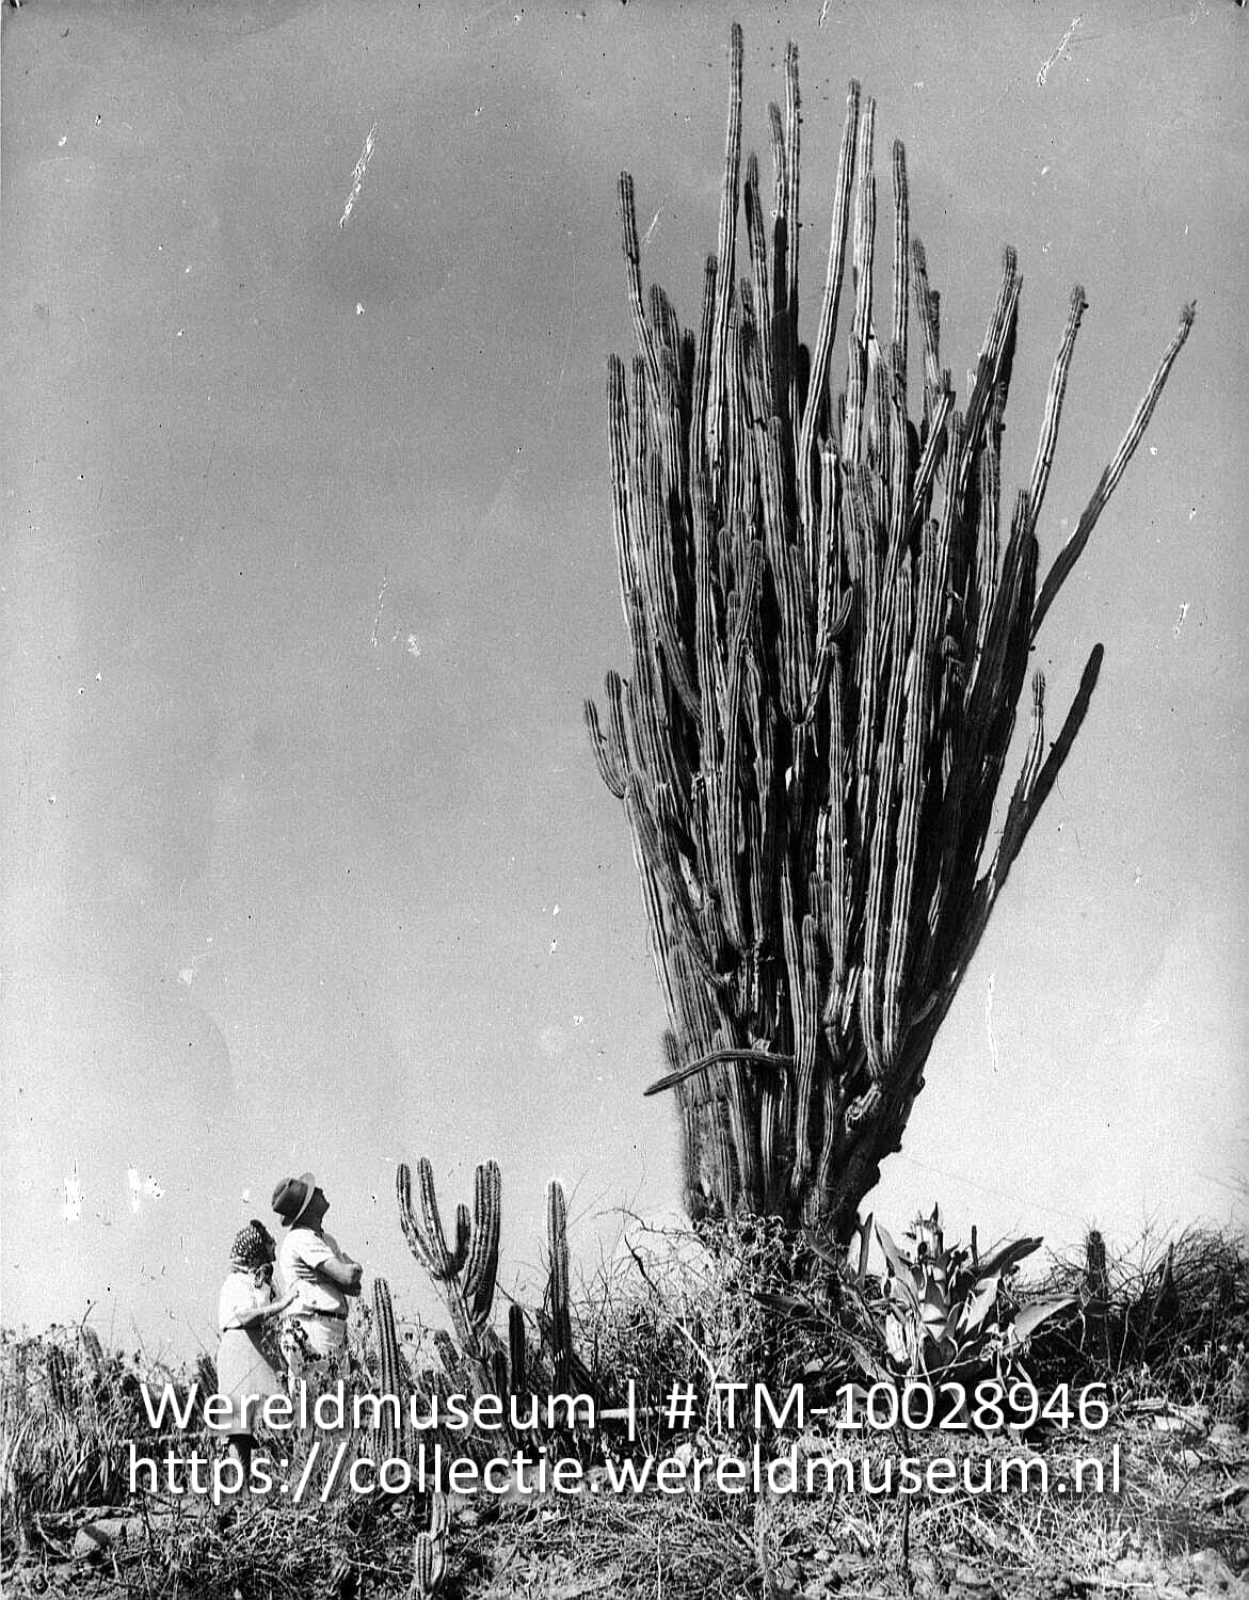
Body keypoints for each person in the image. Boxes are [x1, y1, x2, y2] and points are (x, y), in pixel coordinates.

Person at [211, 1221, 295, 1489]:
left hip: (262, 1349)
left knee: (282, 1414)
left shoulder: (265, 1282)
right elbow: (244, 1316)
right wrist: (281, 1304)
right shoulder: (236, 1282)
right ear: (258, 1249)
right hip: (239, 1349)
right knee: (239, 1428)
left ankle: (287, 1482)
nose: (274, 1243)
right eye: (269, 1240)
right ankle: (239, 1491)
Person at [271, 1172, 362, 1400]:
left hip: (329, 1326)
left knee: (335, 1403)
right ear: (308, 1207)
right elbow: (349, 1276)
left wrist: (324, 1277)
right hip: (313, 1326)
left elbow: (354, 1286)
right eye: (315, 1193)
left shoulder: (325, 1239)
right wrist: (342, 1274)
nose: (320, 1191)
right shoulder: (302, 1238)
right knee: (322, 1401)